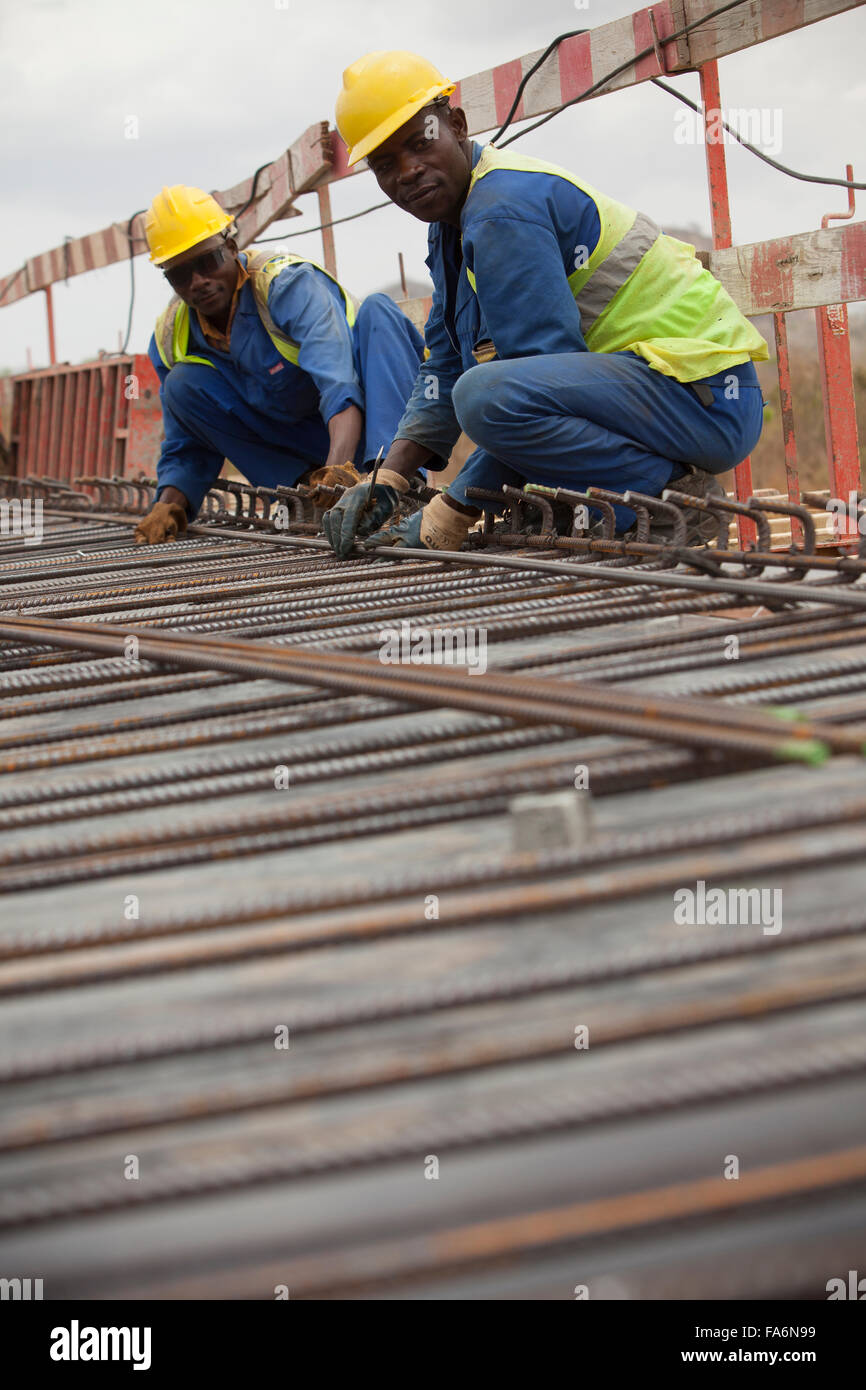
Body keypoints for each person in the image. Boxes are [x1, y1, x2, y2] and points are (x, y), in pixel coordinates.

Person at [323, 51, 768, 559]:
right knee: (477, 387)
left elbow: (520, 392)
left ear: (457, 124)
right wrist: (389, 477)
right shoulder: (450, 229)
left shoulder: (502, 208)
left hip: (702, 398)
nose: (408, 171)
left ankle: (670, 499)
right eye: (385, 165)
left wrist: (454, 508)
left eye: (420, 142)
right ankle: (598, 494)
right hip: (662, 397)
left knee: (484, 395)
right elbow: (446, 363)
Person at [134, 184, 424, 544]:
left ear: (231, 247)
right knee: (181, 386)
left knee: (380, 311)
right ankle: (304, 497)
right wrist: (169, 503)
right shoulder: (170, 336)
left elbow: (338, 386)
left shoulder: (286, 286)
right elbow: (187, 442)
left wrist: (339, 471)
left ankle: (395, 487)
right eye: (180, 274)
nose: (198, 282)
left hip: (362, 431)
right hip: (306, 446)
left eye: (207, 262)